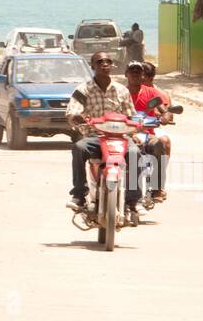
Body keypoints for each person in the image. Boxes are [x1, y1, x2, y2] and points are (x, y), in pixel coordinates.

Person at [65, 52, 143, 222]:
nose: (105, 65)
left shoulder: (122, 90)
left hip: (120, 138)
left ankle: (133, 200)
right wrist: (76, 117)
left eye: (108, 62)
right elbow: (72, 110)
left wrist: (136, 128)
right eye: (100, 62)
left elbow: (132, 115)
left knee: (135, 153)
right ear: (92, 66)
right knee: (78, 148)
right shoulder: (83, 90)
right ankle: (79, 195)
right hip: (95, 137)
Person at [124, 61, 172, 201]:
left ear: (142, 75)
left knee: (158, 144)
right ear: (126, 74)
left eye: (138, 71)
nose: (135, 74)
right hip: (126, 134)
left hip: (146, 134)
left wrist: (165, 117)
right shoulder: (120, 92)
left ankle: (157, 188)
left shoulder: (151, 92)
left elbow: (165, 111)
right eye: (132, 71)